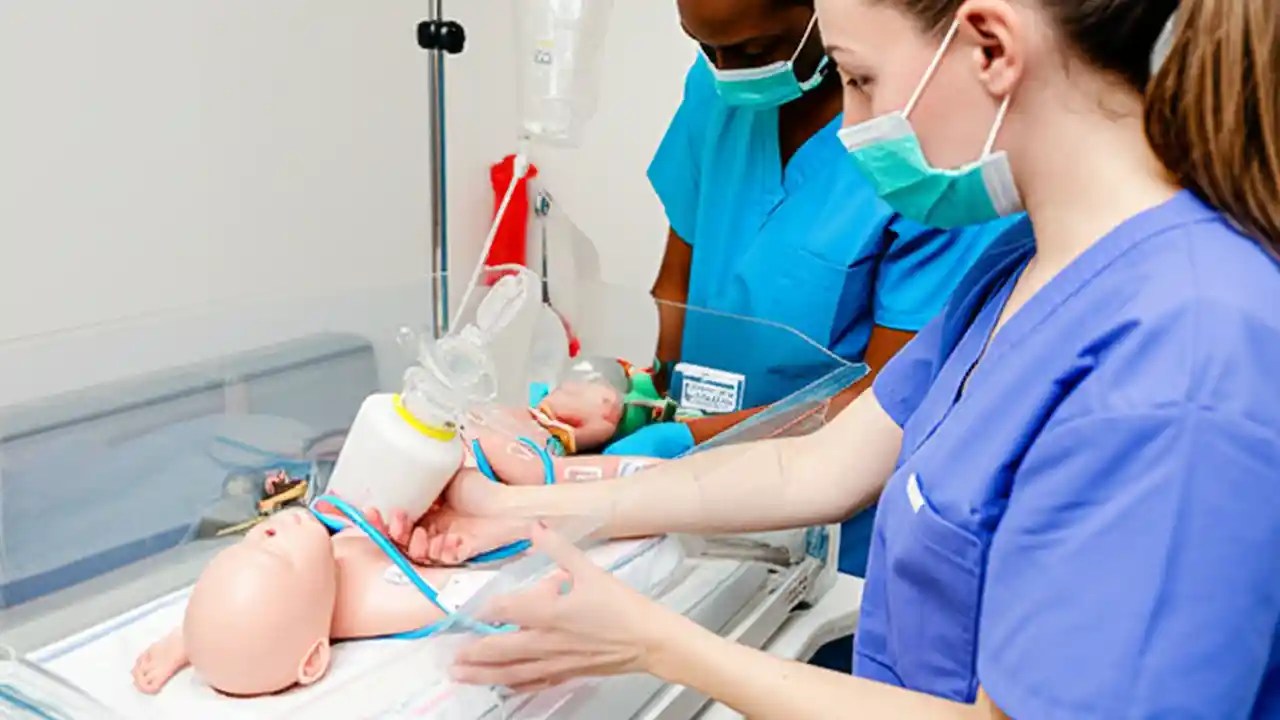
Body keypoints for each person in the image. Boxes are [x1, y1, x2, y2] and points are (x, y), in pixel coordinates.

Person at [415, 0, 1280, 715]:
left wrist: (652, 643)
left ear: (990, 47)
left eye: (858, 79)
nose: (854, 127)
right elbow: (821, 466)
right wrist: (522, 502)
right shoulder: (1020, 265)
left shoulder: (1188, 357)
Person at [610, 0, 1021, 586]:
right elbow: (676, 282)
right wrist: (642, 400)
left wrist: (683, 444)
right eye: (704, 48)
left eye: (754, 50)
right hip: (696, 493)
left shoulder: (923, 156)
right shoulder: (716, 90)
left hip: (836, 528)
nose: (728, 71)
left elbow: (888, 401)